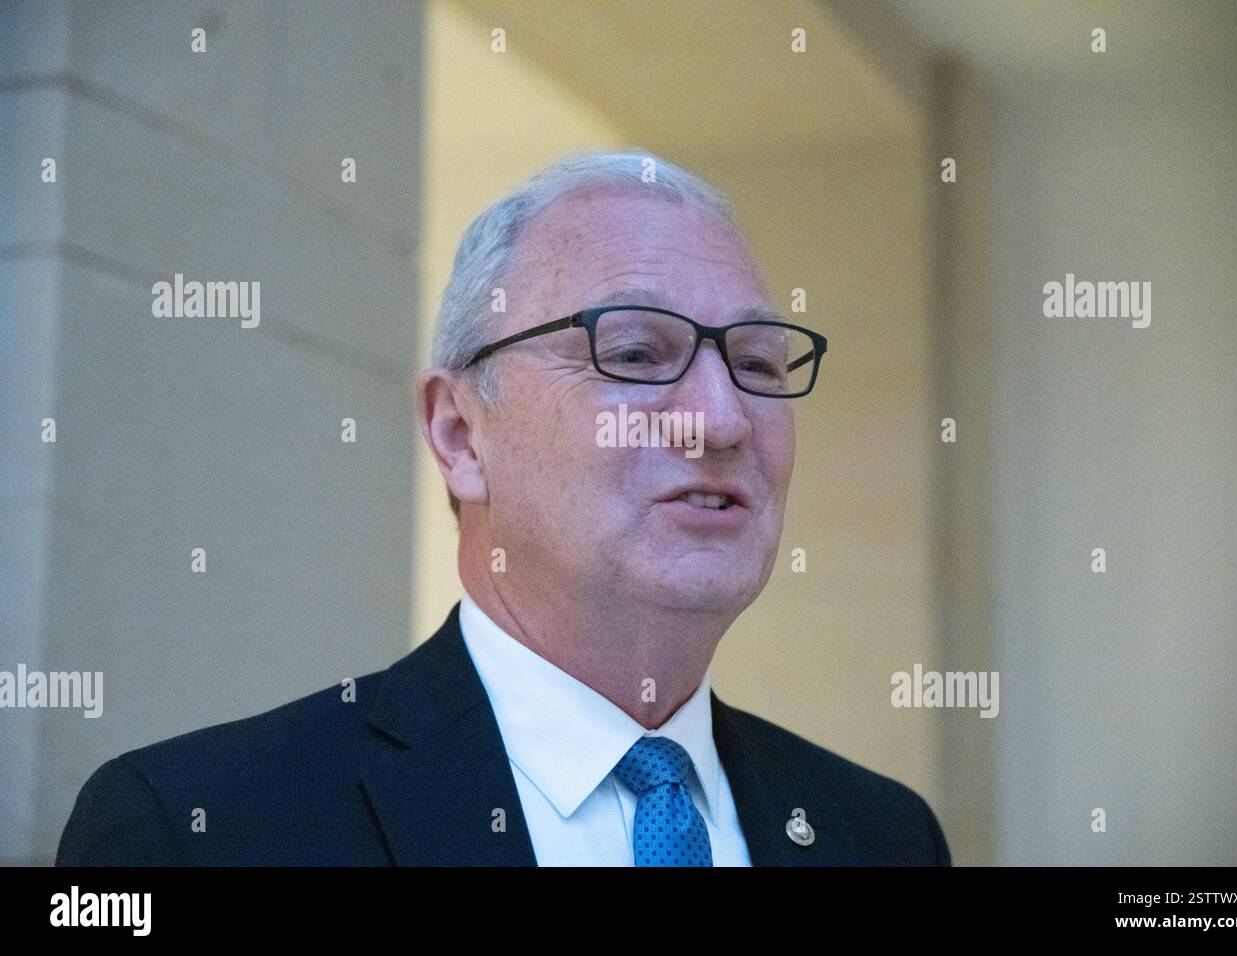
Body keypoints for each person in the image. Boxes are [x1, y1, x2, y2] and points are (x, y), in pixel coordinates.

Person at [57, 150, 950, 866]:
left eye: (757, 365)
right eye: (636, 353)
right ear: (459, 434)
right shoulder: (197, 827)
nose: (720, 420)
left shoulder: (881, 836)